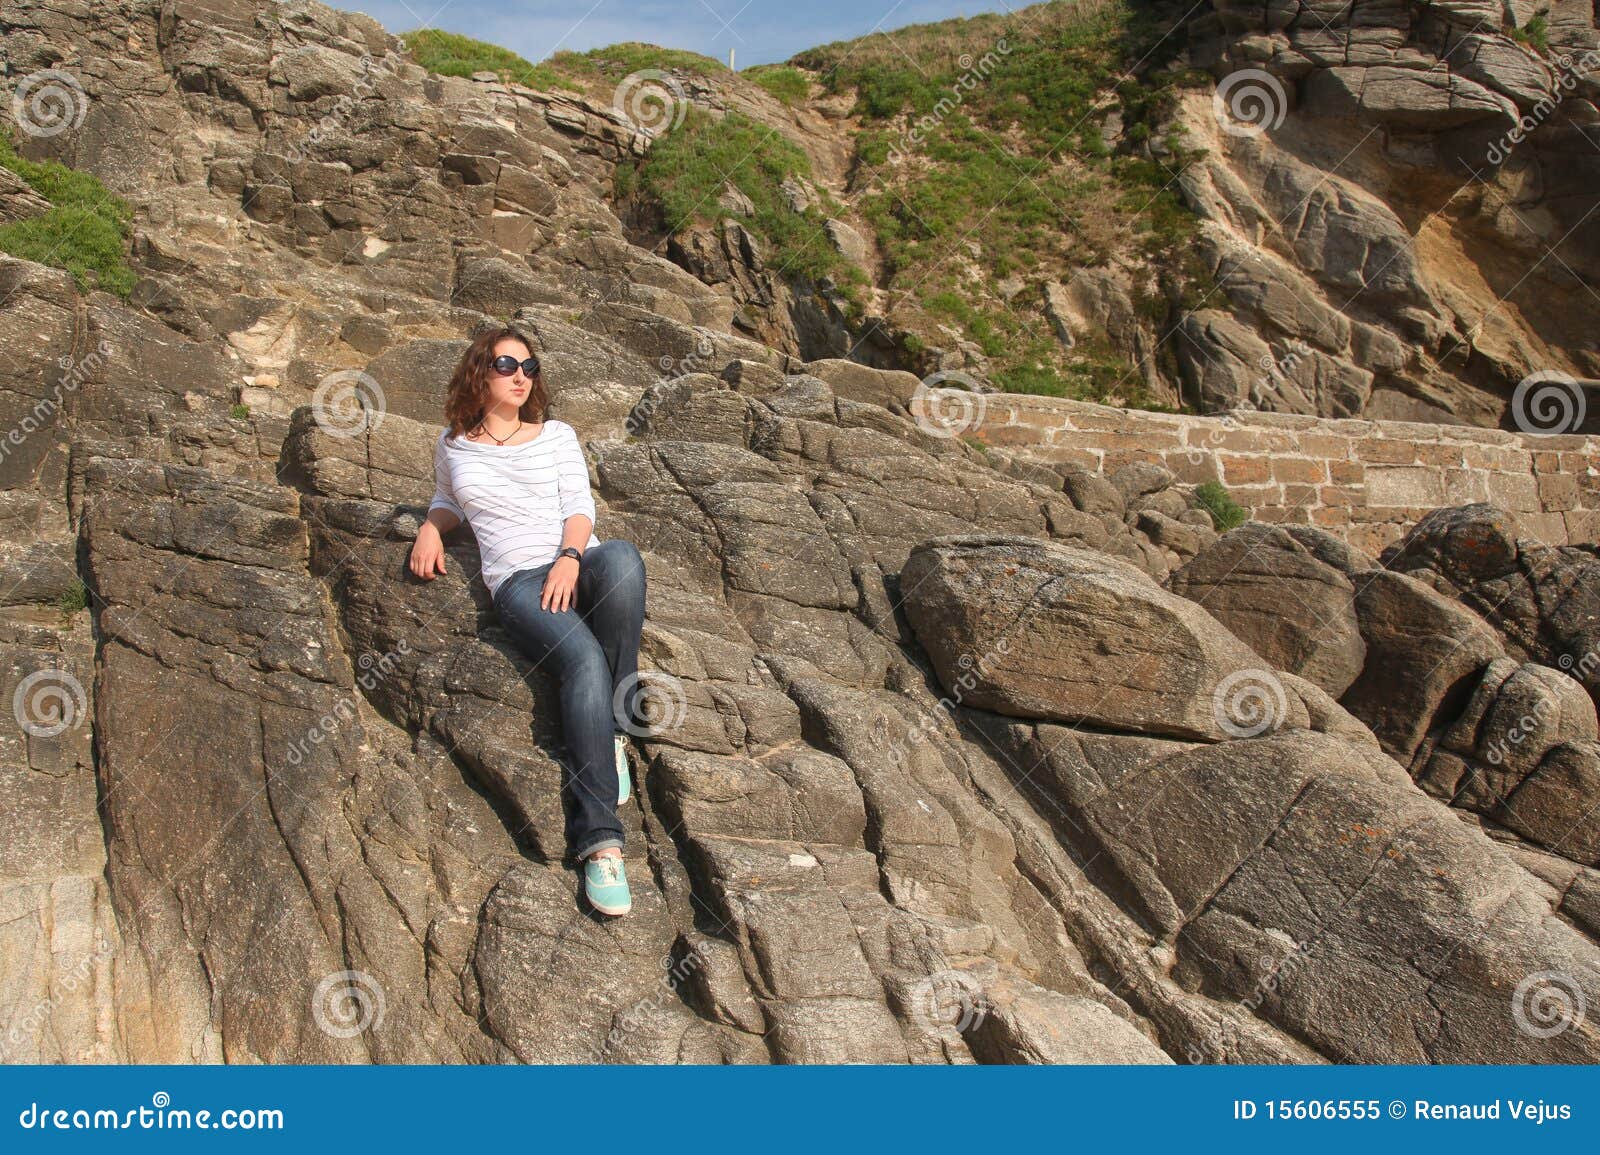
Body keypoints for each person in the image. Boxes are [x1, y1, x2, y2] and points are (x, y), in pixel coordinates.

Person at [409, 325, 646, 917]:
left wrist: (569, 560)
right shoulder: (453, 444)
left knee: (620, 558)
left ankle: (614, 730)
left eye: (530, 366)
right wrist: (431, 528)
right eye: (507, 364)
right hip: (516, 582)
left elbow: (578, 507)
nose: (521, 375)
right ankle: (600, 844)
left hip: (571, 560)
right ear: (478, 373)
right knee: (582, 659)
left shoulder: (557, 435)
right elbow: (447, 499)